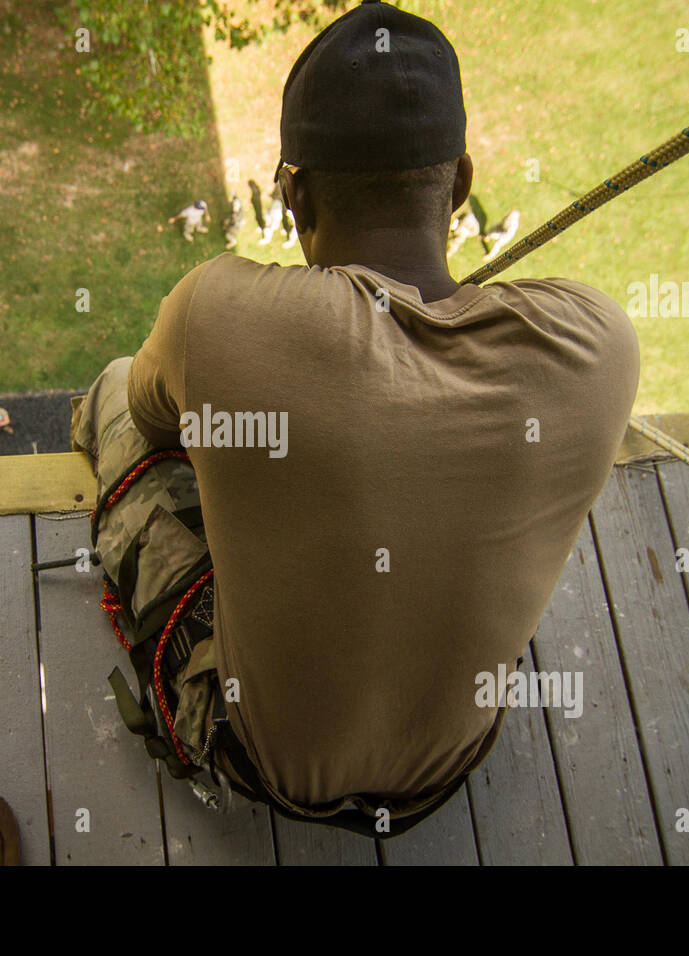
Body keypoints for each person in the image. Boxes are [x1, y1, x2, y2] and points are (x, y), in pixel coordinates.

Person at [92, 0, 639, 841]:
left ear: (292, 193)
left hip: (262, 760)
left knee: (114, 388)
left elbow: (152, 423)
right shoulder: (597, 348)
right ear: (459, 183)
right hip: (451, 763)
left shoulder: (219, 317)